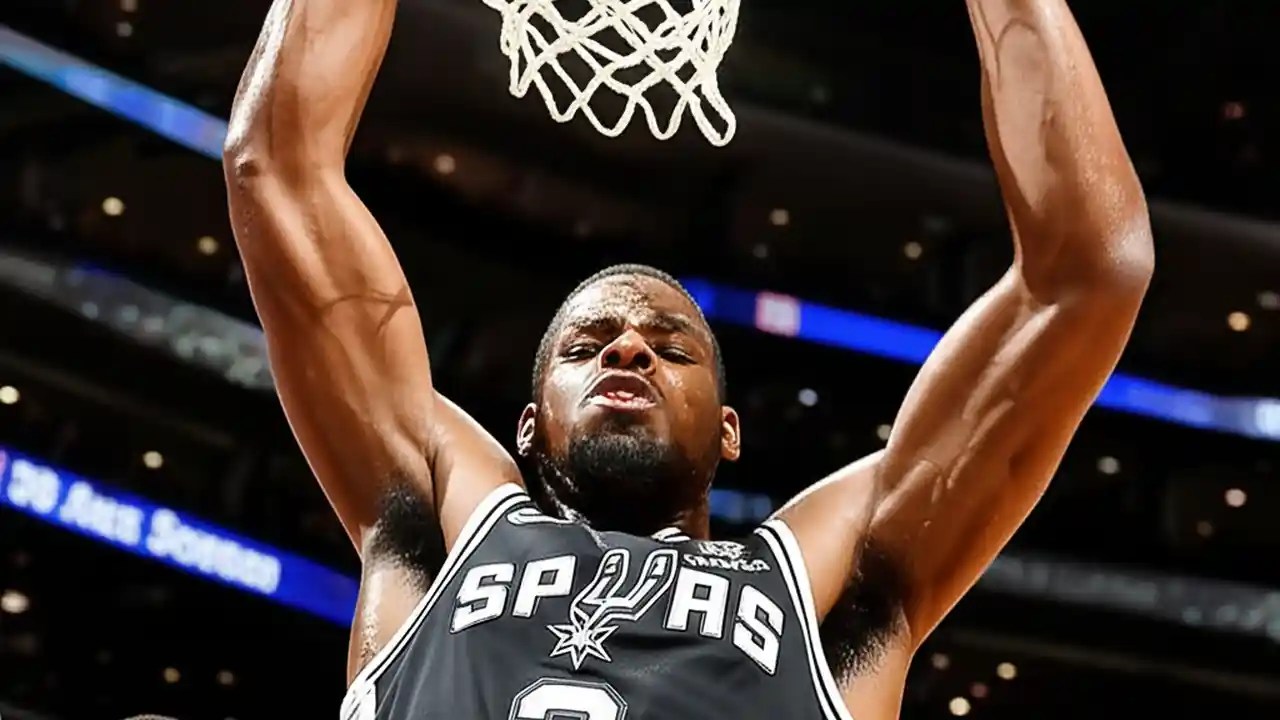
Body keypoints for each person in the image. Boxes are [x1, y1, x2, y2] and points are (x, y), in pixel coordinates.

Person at [222, 0, 1153, 717]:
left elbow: (1089, 274)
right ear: (527, 427)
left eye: (673, 349)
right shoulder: (444, 524)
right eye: (586, 347)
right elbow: (277, 168)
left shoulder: (821, 587)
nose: (630, 346)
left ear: (730, 431)